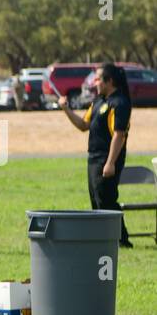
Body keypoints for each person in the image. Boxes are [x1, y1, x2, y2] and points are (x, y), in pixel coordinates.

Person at [59, 63, 133, 248]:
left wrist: (110, 163)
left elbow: (119, 135)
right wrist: (66, 109)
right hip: (93, 158)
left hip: (107, 158)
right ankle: (106, 238)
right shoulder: (99, 102)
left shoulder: (120, 103)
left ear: (110, 81)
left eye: (99, 78)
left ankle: (120, 239)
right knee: (96, 199)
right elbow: (83, 125)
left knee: (106, 199)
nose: (95, 82)